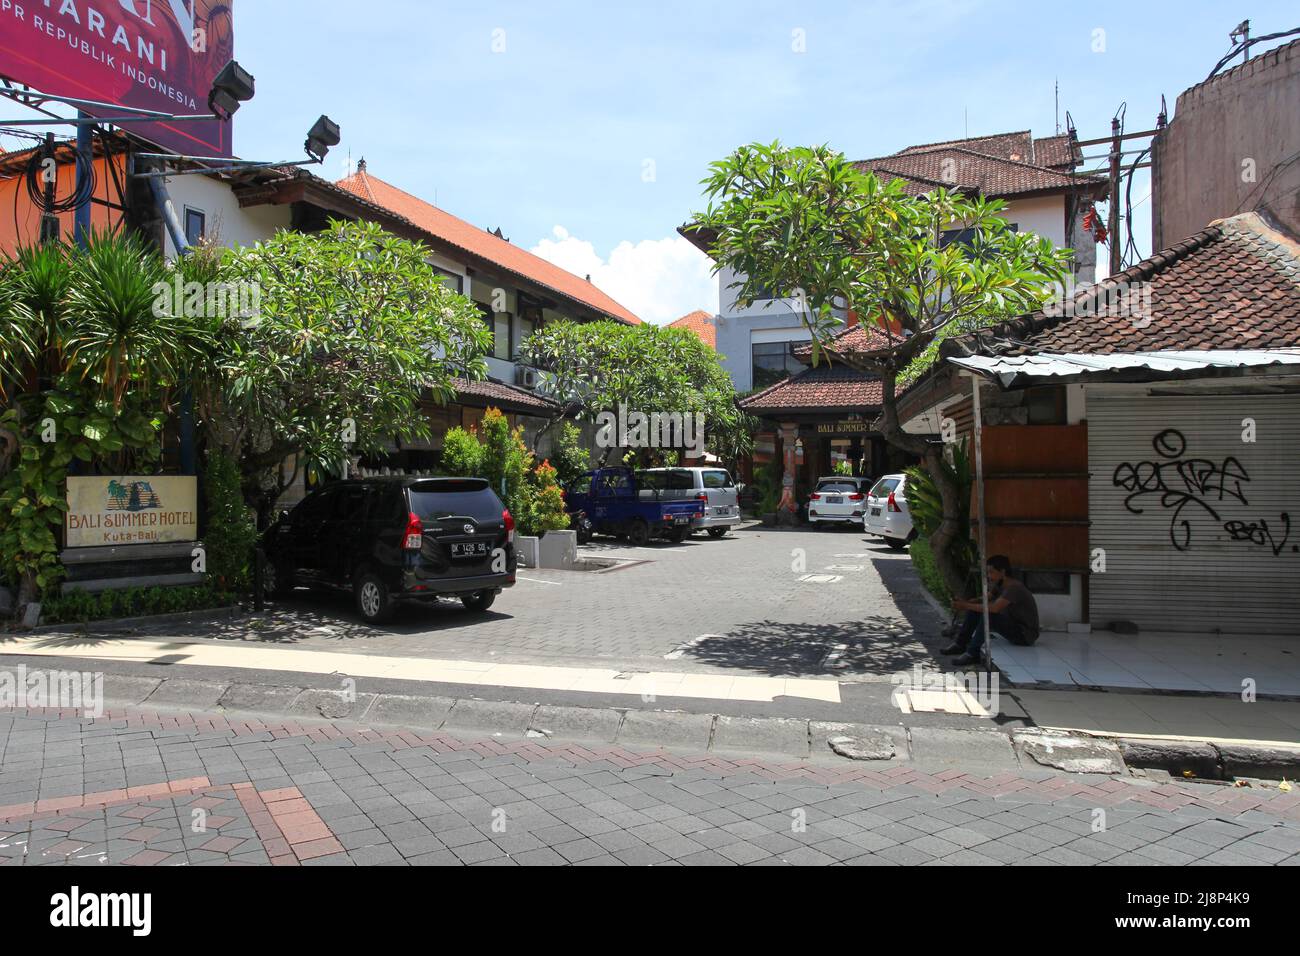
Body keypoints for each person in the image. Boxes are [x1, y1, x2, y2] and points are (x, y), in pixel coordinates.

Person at [943, 555, 1039, 666]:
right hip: (1012, 625)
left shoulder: (1014, 588)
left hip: (1025, 635)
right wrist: (967, 602)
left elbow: (995, 608)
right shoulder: (1000, 584)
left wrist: (966, 605)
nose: (989, 576)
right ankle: (960, 644)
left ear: (1002, 572)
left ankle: (972, 654)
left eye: (991, 572)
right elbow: (984, 599)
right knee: (975, 610)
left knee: (989, 615)